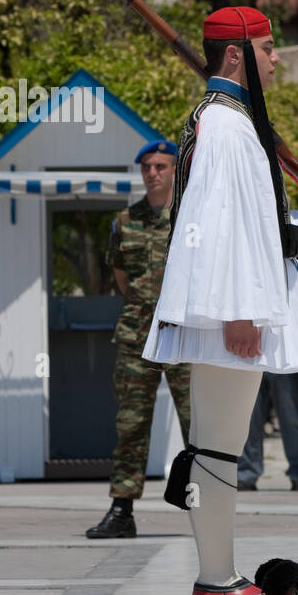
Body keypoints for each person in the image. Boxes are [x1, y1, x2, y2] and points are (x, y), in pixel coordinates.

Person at [142, 5, 298, 595]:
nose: (277, 58)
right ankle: (216, 580)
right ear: (236, 55)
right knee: (216, 446)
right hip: (230, 312)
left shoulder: (231, 121)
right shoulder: (227, 127)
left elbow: (256, 223)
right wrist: (237, 312)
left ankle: (219, 575)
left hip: (233, 306)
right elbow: (215, 224)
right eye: (267, 47)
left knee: (219, 443)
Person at [87, 140, 192, 539]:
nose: (152, 173)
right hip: (137, 335)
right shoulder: (125, 220)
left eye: (160, 166)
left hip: (183, 334)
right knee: (131, 424)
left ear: (174, 170)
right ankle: (122, 511)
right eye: (147, 167)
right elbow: (120, 275)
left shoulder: (190, 215)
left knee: (197, 425)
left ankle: (206, 506)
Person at [238, 371, 298, 491]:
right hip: (251, 363)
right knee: (249, 418)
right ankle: (245, 474)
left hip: (285, 361)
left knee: (292, 414)